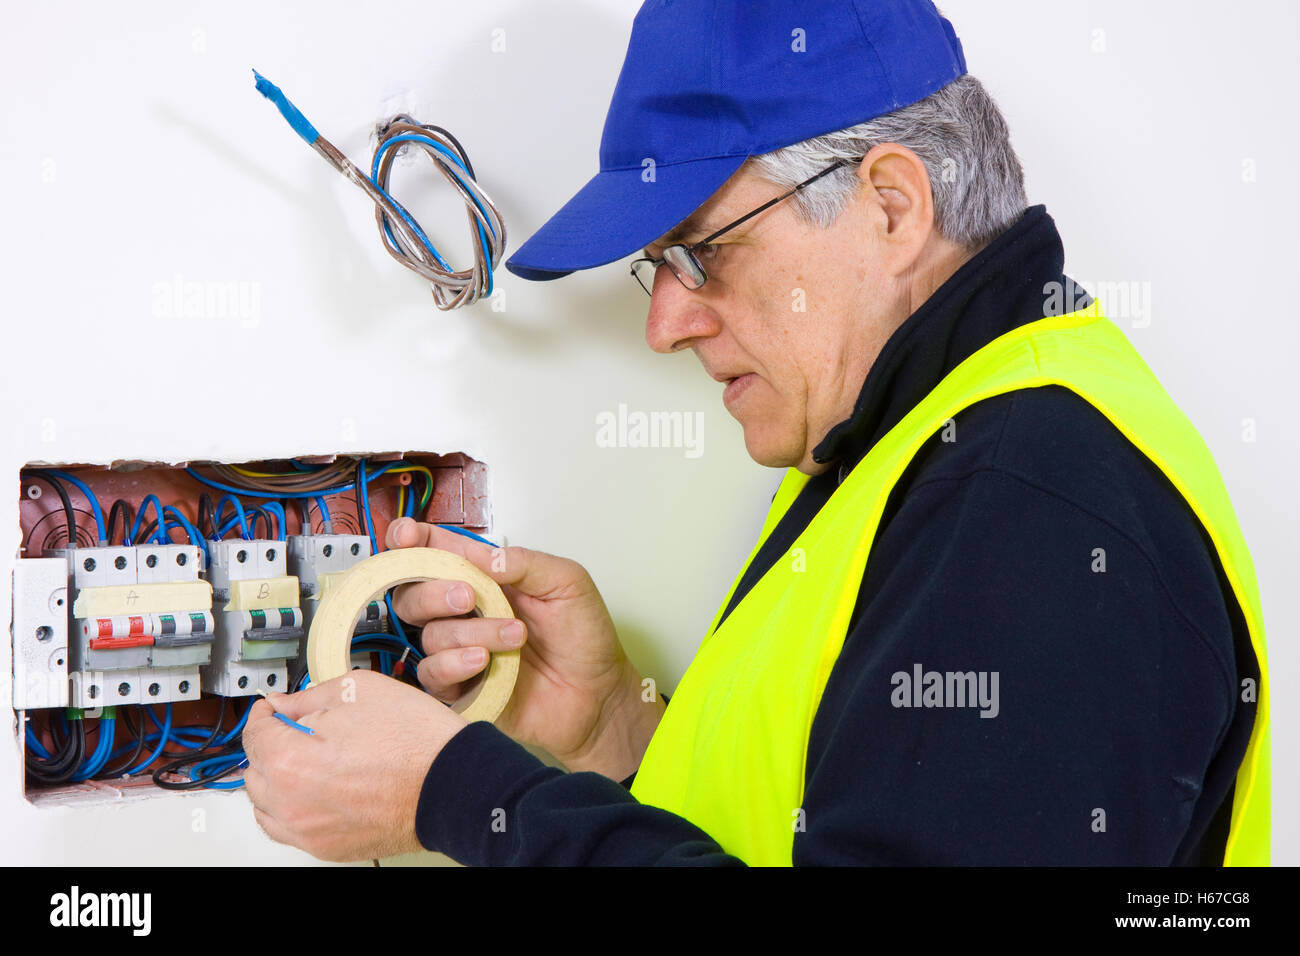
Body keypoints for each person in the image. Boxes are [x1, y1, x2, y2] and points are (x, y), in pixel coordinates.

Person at [242, 0, 1269, 865]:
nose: (662, 324)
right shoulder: (909, 446)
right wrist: (616, 733)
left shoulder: (1034, 501)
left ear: (892, 206)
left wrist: (459, 793)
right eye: (661, 267)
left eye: (701, 254)